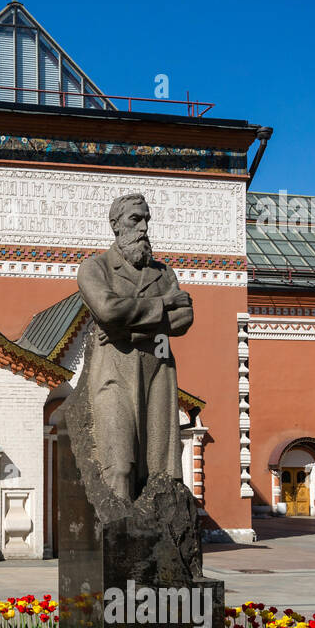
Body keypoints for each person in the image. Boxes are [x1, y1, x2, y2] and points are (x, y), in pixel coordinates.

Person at [73, 193, 193, 502]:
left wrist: (129, 331)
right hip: (113, 371)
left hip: (158, 374)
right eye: (135, 220)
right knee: (119, 463)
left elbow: (183, 320)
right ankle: (121, 537)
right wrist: (164, 304)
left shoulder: (164, 274)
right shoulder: (95, 268)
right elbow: (108, 310)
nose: (143, 228)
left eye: (146, 220)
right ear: (115, 225)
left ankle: (160, 539)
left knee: (160, 469)